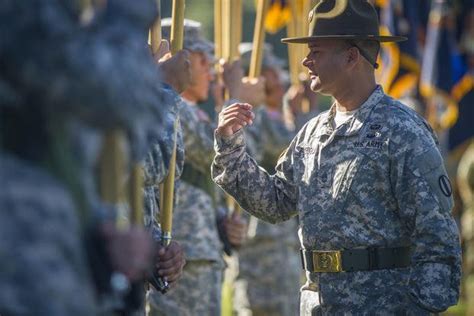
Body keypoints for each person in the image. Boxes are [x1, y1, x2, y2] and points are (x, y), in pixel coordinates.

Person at [212, 1, 461, 314]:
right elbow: (276, 203)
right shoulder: (312, 132)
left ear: (351, 56)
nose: (305, 61)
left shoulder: (403, 131)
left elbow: (437, 236)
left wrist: (422, 306)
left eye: (316, 51)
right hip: (319, 305)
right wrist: (230, 145)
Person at [147, 19, 249, 316]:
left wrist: (221, 220)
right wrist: (235, 96)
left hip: (196, 254)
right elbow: (218, 152)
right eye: (203, 59)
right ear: (181, 58)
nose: (211, 69)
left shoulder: (184, 110)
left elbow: (201, 180)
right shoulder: (173, 107)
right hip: (178, 258)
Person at [231, 43, 301, 316]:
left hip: (279, 234)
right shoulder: (250, 113)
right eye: (270, 71)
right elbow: (283, 147)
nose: (279, 78)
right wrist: (297, 114)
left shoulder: (267, 113)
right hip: (258, 236)